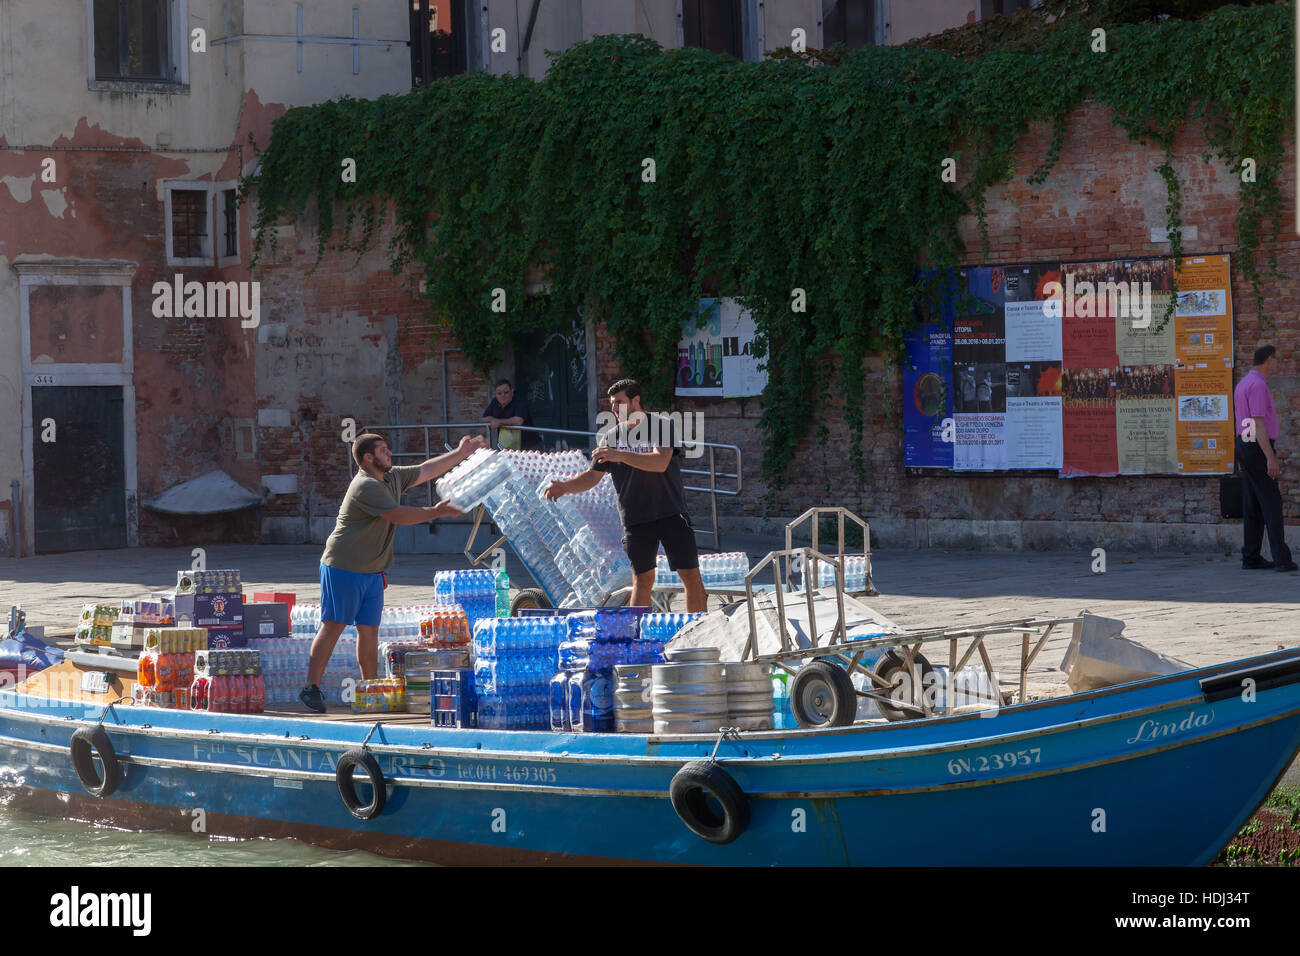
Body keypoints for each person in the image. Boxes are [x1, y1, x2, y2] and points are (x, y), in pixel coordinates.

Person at [299, 432, 488, 712]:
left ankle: (370, 687)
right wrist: (436, 511)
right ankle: (311, 687)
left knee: (369, 630)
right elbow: (398, 515)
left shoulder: (392, 477)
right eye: (383, 450)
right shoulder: (365, 485)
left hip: (373, 569)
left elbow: (426, 470)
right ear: (368, 457)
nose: (389, 454)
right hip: (344, 565)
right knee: (334, 625)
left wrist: (461, 453)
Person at [544, 379, 706, 612]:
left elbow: (660, 462)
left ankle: (698, 629)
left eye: (619, 402)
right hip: (635, 519)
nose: (613, 408)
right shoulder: (610, 437)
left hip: (670, 512)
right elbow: (592, 476)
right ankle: (636, 639)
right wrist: (565, 486)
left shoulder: (662, 425)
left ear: (635, 400)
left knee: (690, 576)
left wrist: (621, 455)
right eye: (611, 404)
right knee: (642, 581)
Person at [1234, 345, 1296, 572]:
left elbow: (1246, 423)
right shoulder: (1258, 385)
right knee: (1271, 502)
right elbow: (1258, 423)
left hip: (1245, 443)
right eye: (1276, 359)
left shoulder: (1243, 384)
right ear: (1268, 360)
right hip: (1258, 446)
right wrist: (1270, 457)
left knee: (1252, 504)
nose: (1278, 363)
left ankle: (1250, 557)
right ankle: (1282, 559)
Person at [482, 378, 541, 450]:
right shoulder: (495, 402)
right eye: (499, 393)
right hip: (507, 446)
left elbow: (518, 421)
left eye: (506, 392)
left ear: (512, 392)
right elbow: (484, 418)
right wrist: (495, 420)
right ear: (495, 394)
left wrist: (499, 422)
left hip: (529, 446)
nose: (502, 395)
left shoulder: (519, 401)